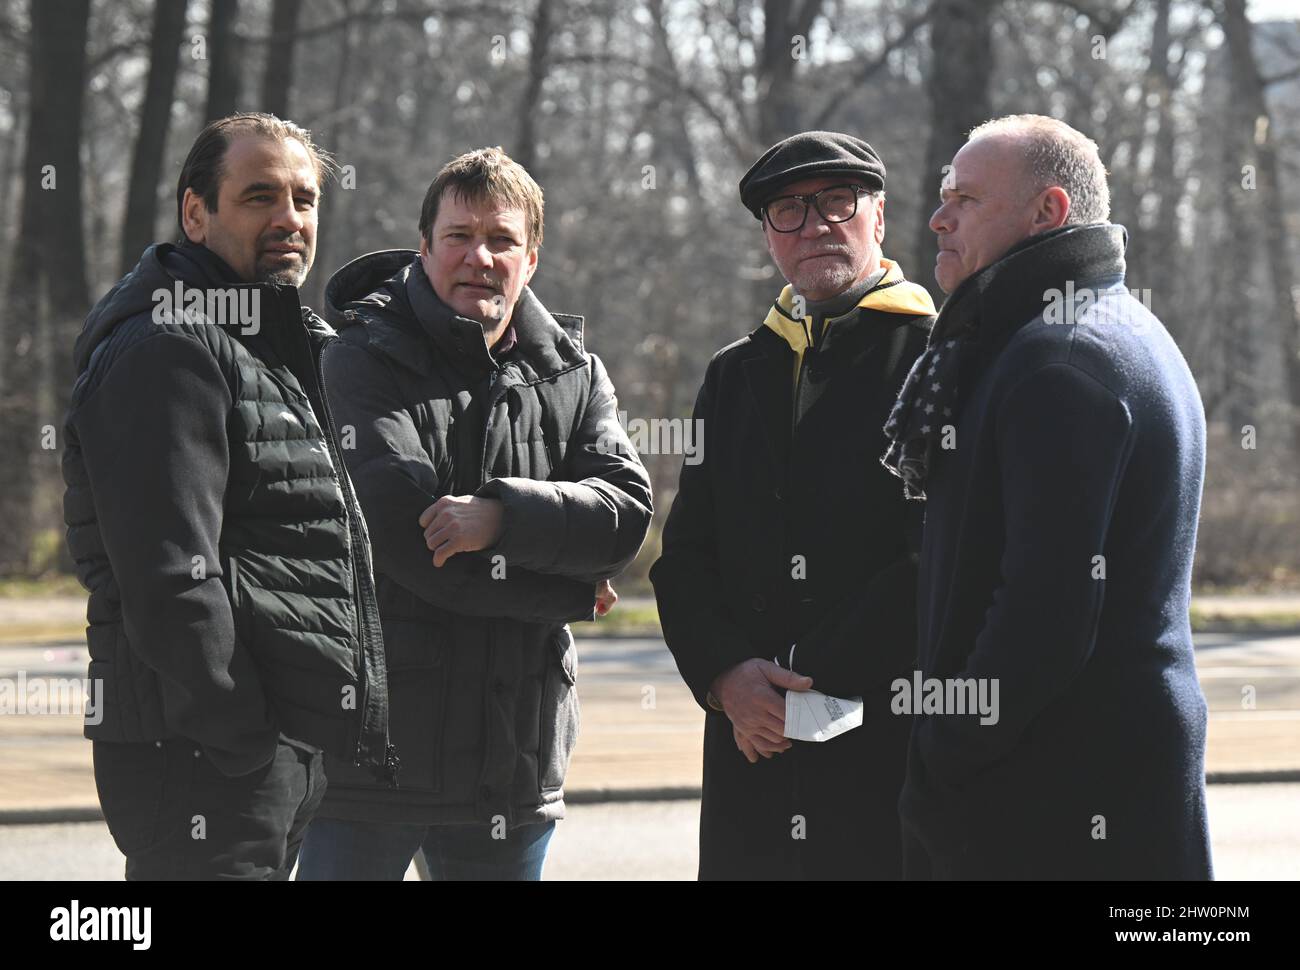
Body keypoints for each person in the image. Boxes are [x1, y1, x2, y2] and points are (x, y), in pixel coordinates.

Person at [296, 146, 652, 881]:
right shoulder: (359, 361)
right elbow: (404, 536)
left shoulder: (574, 373)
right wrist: (569, 591)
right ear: (424, 247)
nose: (479, 256)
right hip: (373, 764)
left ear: (532, 257)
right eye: (458, 236)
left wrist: (500, 516)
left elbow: (625, 515)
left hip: (512, 757)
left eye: (502, 240)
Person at [62, 113, 394, 880]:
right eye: (259, 197)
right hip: (199, 758)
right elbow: (171, 577)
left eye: (305, 199)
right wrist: (241, 733)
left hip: (262, 753)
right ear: (195, 213)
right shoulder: (167, 348)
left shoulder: (276, 348)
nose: (290, 219)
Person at [884, 114, 1213, 879]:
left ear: (1049, 212)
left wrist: (945, 749)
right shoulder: (1100, 330)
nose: (938, 216)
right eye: (942, 196)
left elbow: (1046, 610)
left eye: (965, 198)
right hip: (1091, 773)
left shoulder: (1056, 359)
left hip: (1052, 795)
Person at [651, 131, 936, 879]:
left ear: (879, 216)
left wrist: (795, 686)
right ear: (769, 238)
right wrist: (725, 678)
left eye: (836, 202)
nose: (814, 226)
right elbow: (685, 557)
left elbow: (932, 557)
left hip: (882, 745)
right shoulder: (735, 373)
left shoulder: (935, 360)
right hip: (749, 751)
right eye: (787, 210)